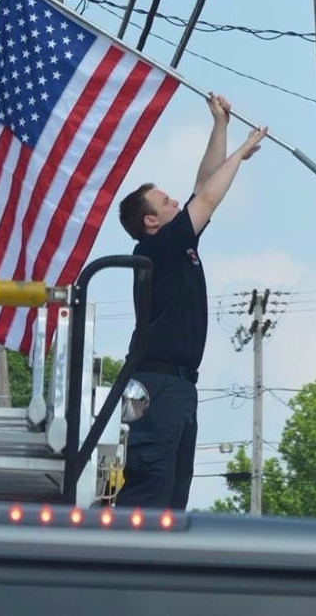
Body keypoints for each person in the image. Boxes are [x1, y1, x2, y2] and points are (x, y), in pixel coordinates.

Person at [115, 94, 266, 510]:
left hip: (179, 385)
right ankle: (127, 563)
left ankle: (158, 566)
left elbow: (202, 188)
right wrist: (242, 148)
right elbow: (208, 198)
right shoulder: (157, 248)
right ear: (150, 220)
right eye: (165, 202)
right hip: (157, 383)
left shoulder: (175, 240)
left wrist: (220, 124)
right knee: (151, 486)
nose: (175, 203)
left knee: (174, 493)